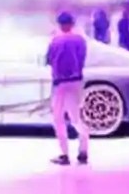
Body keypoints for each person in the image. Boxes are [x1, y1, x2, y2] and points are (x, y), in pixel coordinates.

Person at [46, 12, 90, 165]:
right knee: (76, 116)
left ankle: (64, 154)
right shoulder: (80, 40)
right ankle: (83, 150)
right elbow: (83, 59)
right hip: (76, 81)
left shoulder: (55, 41)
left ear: (60, 24)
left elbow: (50, 60)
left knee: (58, 118)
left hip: (60, 83)